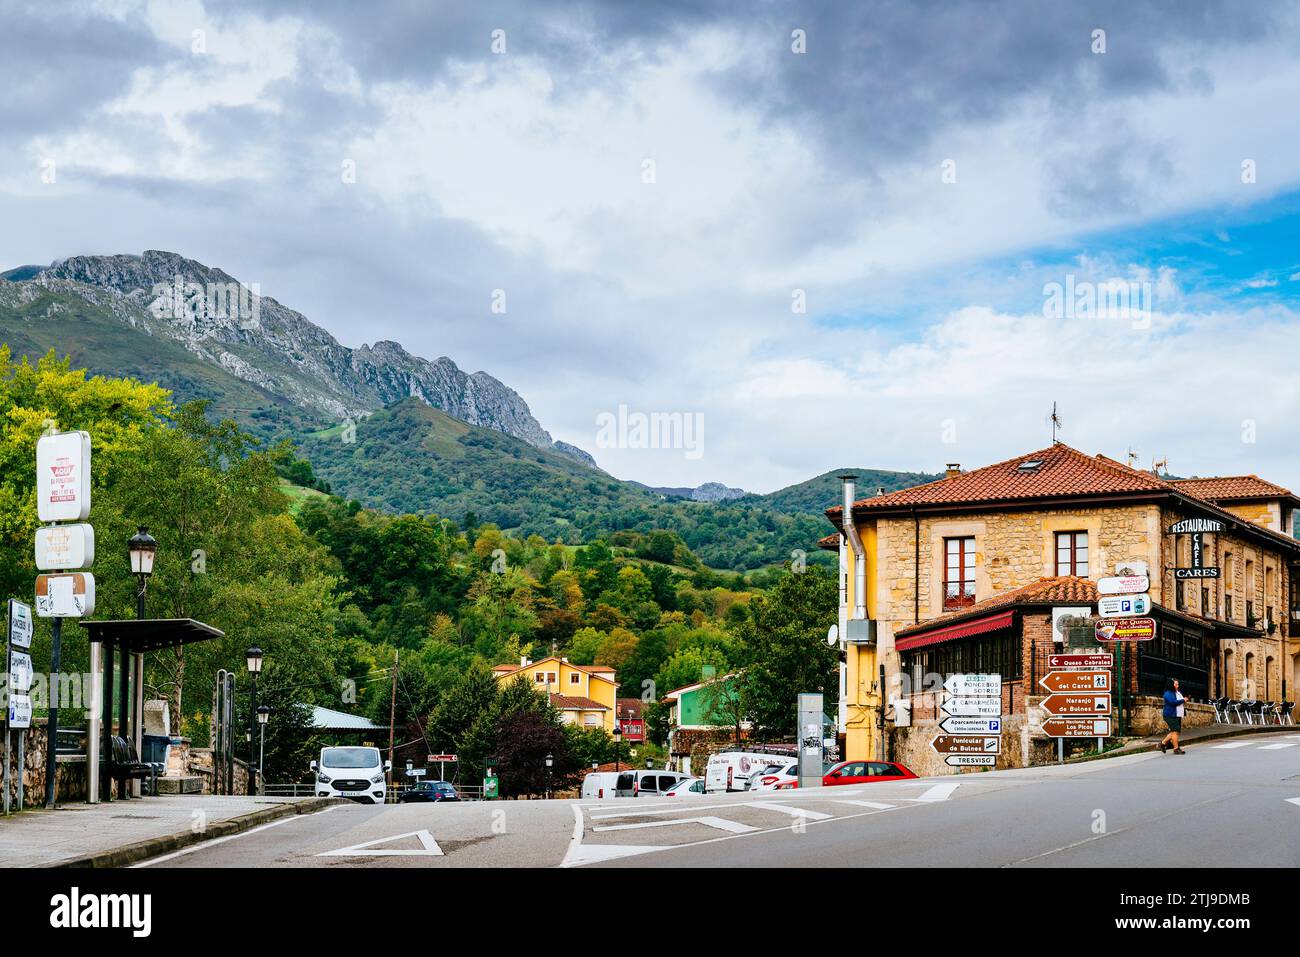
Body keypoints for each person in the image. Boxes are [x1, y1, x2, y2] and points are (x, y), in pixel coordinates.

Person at [1160, 678, 1186, 754]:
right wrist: (1183, 700)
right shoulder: (1168, 693)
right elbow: (1172, 702)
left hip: (1177, 715)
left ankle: (1163, 743)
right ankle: (1176, 748)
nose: (1177, 686)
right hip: (1170, 715)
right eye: (1175, 684)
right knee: (1175, 731)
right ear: (1171, 685)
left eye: (1178, 684)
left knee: (1175, 731)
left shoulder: (1176, 692)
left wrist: (1184, 700)